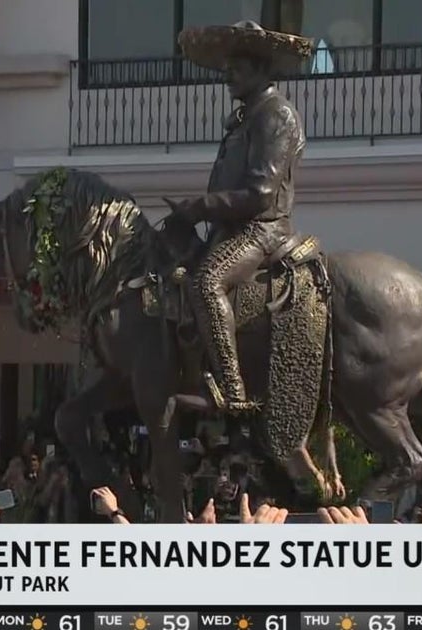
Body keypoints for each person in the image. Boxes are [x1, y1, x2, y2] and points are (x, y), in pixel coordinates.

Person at [166, 20, 311, 413]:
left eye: (237, 68)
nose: (228, 75)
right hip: (230, 228)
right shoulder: (246, 116)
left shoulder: (276, 116)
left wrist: (201, 206)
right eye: (228, 67)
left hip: (262, 231)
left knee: (206, 282)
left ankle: (232, 389)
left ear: (262, 70)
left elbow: (260, 194)